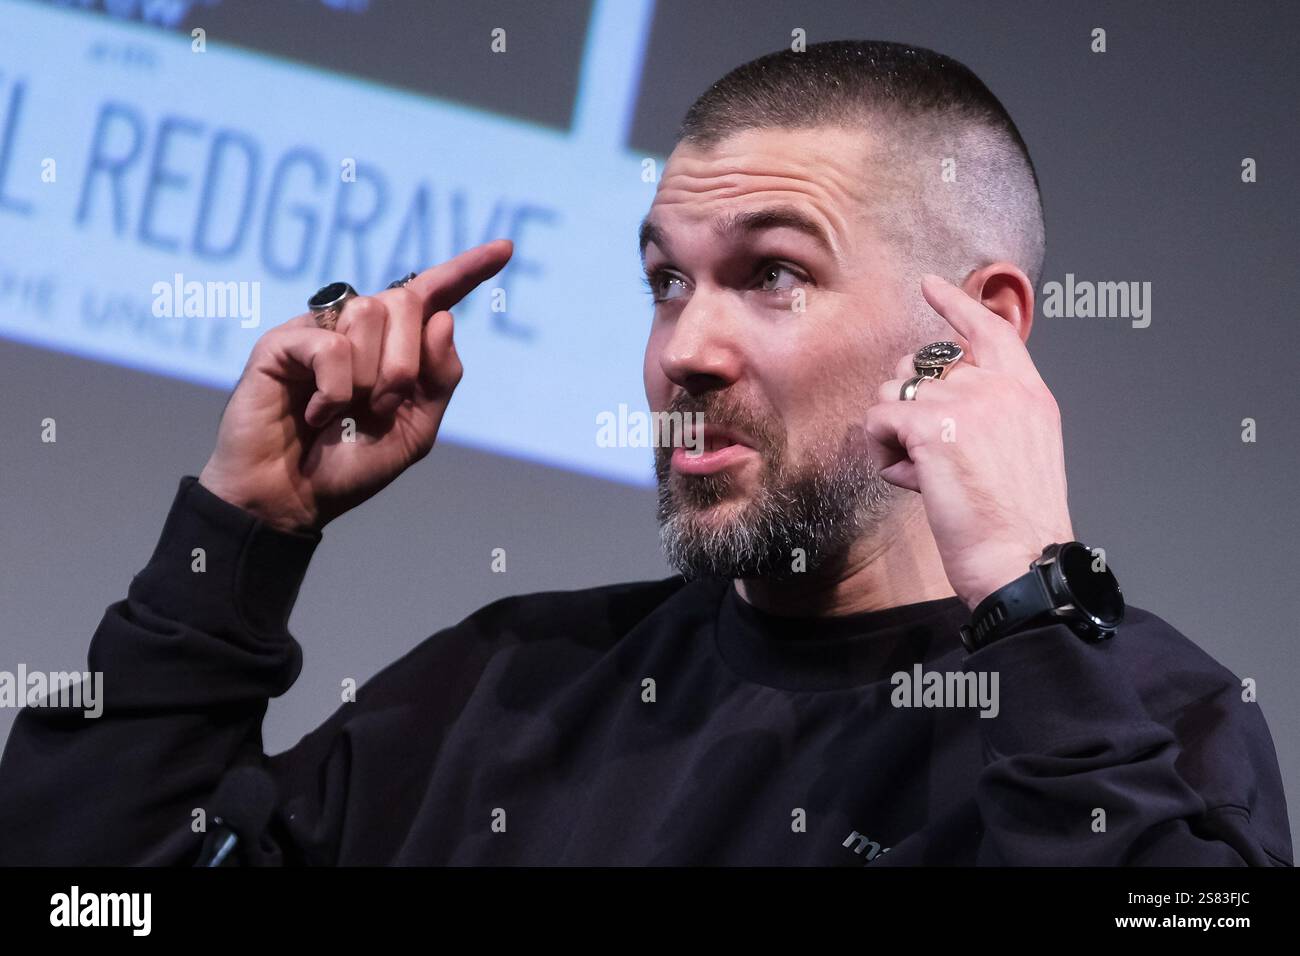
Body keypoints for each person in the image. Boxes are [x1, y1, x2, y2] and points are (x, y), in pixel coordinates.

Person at [0, 40, 1290, 866]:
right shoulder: (496, 695)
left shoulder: (1151, 724)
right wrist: (241, 536)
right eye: (669, 283)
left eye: (773, 275)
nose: (686, 349)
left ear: (976, 331)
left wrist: (1028, 596)